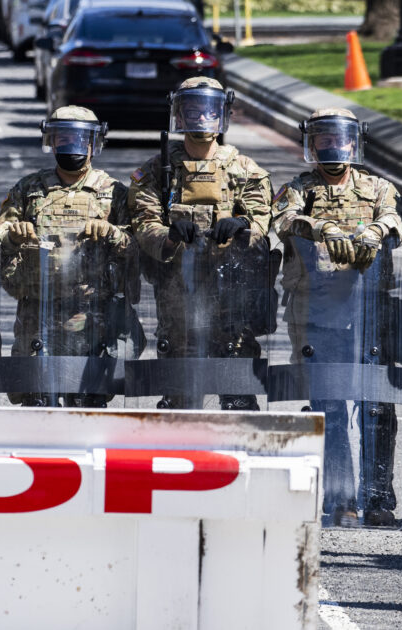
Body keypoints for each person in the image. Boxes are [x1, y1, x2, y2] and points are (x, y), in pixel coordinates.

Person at [271, 107, 402, 527]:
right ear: (312, 143)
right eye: (323, 139)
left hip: (369, 307)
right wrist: (319, 227)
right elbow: (283, 220)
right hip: (316, 306)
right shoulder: (298, 188)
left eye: (340, 139)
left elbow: (395, 219)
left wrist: (376, 231)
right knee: (329, 403)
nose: (332, 147)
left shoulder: (377, 186)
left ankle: (379, 498)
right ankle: (340, 497)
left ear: (354, 142)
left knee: (377, 403)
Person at [128, 76, 274, 411]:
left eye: (209, 112)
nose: (201, 119)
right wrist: (169, 236)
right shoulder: (156, 172)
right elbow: (143, 222)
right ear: (178, 115)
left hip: (233, 297)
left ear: (223, 115)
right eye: (192, 111)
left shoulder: (245, 170)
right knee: (180, 398)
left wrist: (243, 225)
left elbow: (261, 219)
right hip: (178, 299)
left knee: (237, 395)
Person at [0, 106, 133, 407]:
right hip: (37, 311)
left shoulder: (114, 193)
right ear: (52, 141)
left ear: (94, 142)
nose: (71, 147)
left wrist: (110, 232)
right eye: (64, 139)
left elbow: (136, 248)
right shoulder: (30, 189)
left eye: (79, 139)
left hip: (90, 314)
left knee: (88, 401)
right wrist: (14, 234)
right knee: (34, 399)